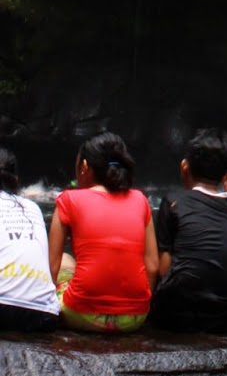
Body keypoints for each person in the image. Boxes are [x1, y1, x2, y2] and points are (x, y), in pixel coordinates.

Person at [48, 131, 158, 333]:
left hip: (80, 313)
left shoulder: (68, 199)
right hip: (134, 318)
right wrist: (139, 307)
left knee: (65, 260)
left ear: (84, 167)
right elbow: (152, 266)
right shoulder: (141, 200)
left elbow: (51, 266)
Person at [151, 128, 227, 333]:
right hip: (225, 318)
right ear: (226, 177)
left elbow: (163, 266)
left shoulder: (173, 202)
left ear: (184, 167)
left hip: (176, 315)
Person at [0, 148, 60, 332]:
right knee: (67, 260)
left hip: (3, 308)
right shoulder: (32, 207)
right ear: (15, 178)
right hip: (44, 315)